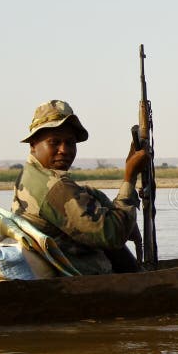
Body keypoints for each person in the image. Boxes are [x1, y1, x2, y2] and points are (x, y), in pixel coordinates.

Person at [12, 100, 149, 273]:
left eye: (70, 143)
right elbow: (112, 235)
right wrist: (130, 178)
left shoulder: (30, 175)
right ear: (33, 145)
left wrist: (113, 208)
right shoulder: (54, 187)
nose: (64, 150)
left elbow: (81, 193)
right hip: (78, 281)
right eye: (54, 142)